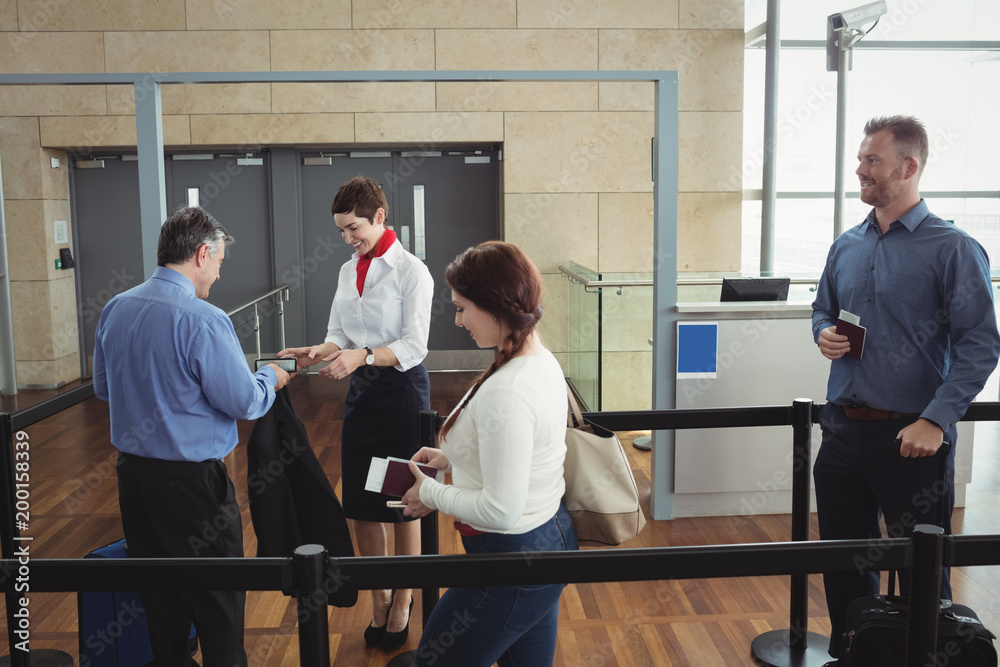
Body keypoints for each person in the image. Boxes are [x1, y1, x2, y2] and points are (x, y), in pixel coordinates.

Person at [811, 115, 1000, 663]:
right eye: (860, 158)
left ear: (908, 166)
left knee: (922, 571)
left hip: (912, 439)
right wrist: (822, 332)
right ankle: (855, 654)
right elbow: (823, 308)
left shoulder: (953, 248)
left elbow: (980, 345)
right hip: (842, 431)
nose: (860, 169)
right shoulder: (846, 245)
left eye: (872, 159)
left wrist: (935, 420)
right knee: (844, 564)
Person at [93, 206, 292, 667]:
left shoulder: (115, 308)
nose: (218, 275)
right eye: (218, 263)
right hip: (194, 488)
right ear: (202, 254)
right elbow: (244, 402)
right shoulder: (205, 319)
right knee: (220, 610)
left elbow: (104, 389)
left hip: (134, 479)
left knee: (161, 607)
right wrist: (272, 376)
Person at [400, 241, 579, 667]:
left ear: (496, 307)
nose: (458, 320)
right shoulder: (537, 358)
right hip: (546, 538)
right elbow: (519, 450)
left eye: (462, 308)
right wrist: (455, 459)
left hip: (510, 559)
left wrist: (430, 493)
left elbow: (500, 510)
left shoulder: (509, 389)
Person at [278, 176, 433, 650]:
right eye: (342, 230)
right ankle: (378, 596)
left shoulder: (412, 271)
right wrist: (315, 352)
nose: (347, 238)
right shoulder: (349, 271)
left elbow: (414, 346)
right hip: (363, 393)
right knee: (363, 503)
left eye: (353, 228)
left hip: (402, 392)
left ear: (379, 217)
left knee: (401, 501)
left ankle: (404, 598)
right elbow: (338, 335)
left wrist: (361, 356)